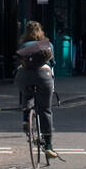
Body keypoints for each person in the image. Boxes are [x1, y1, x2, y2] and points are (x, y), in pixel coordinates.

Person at [14, 20, 57, 158]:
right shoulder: (47, 44)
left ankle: (26, 117)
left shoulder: (23, 45)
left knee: (26, 91)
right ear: (40, 32)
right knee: (45, 109)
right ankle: (49, 146)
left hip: (24, 76)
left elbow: (18, 61)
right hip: (43, 75)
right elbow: (53, 63)